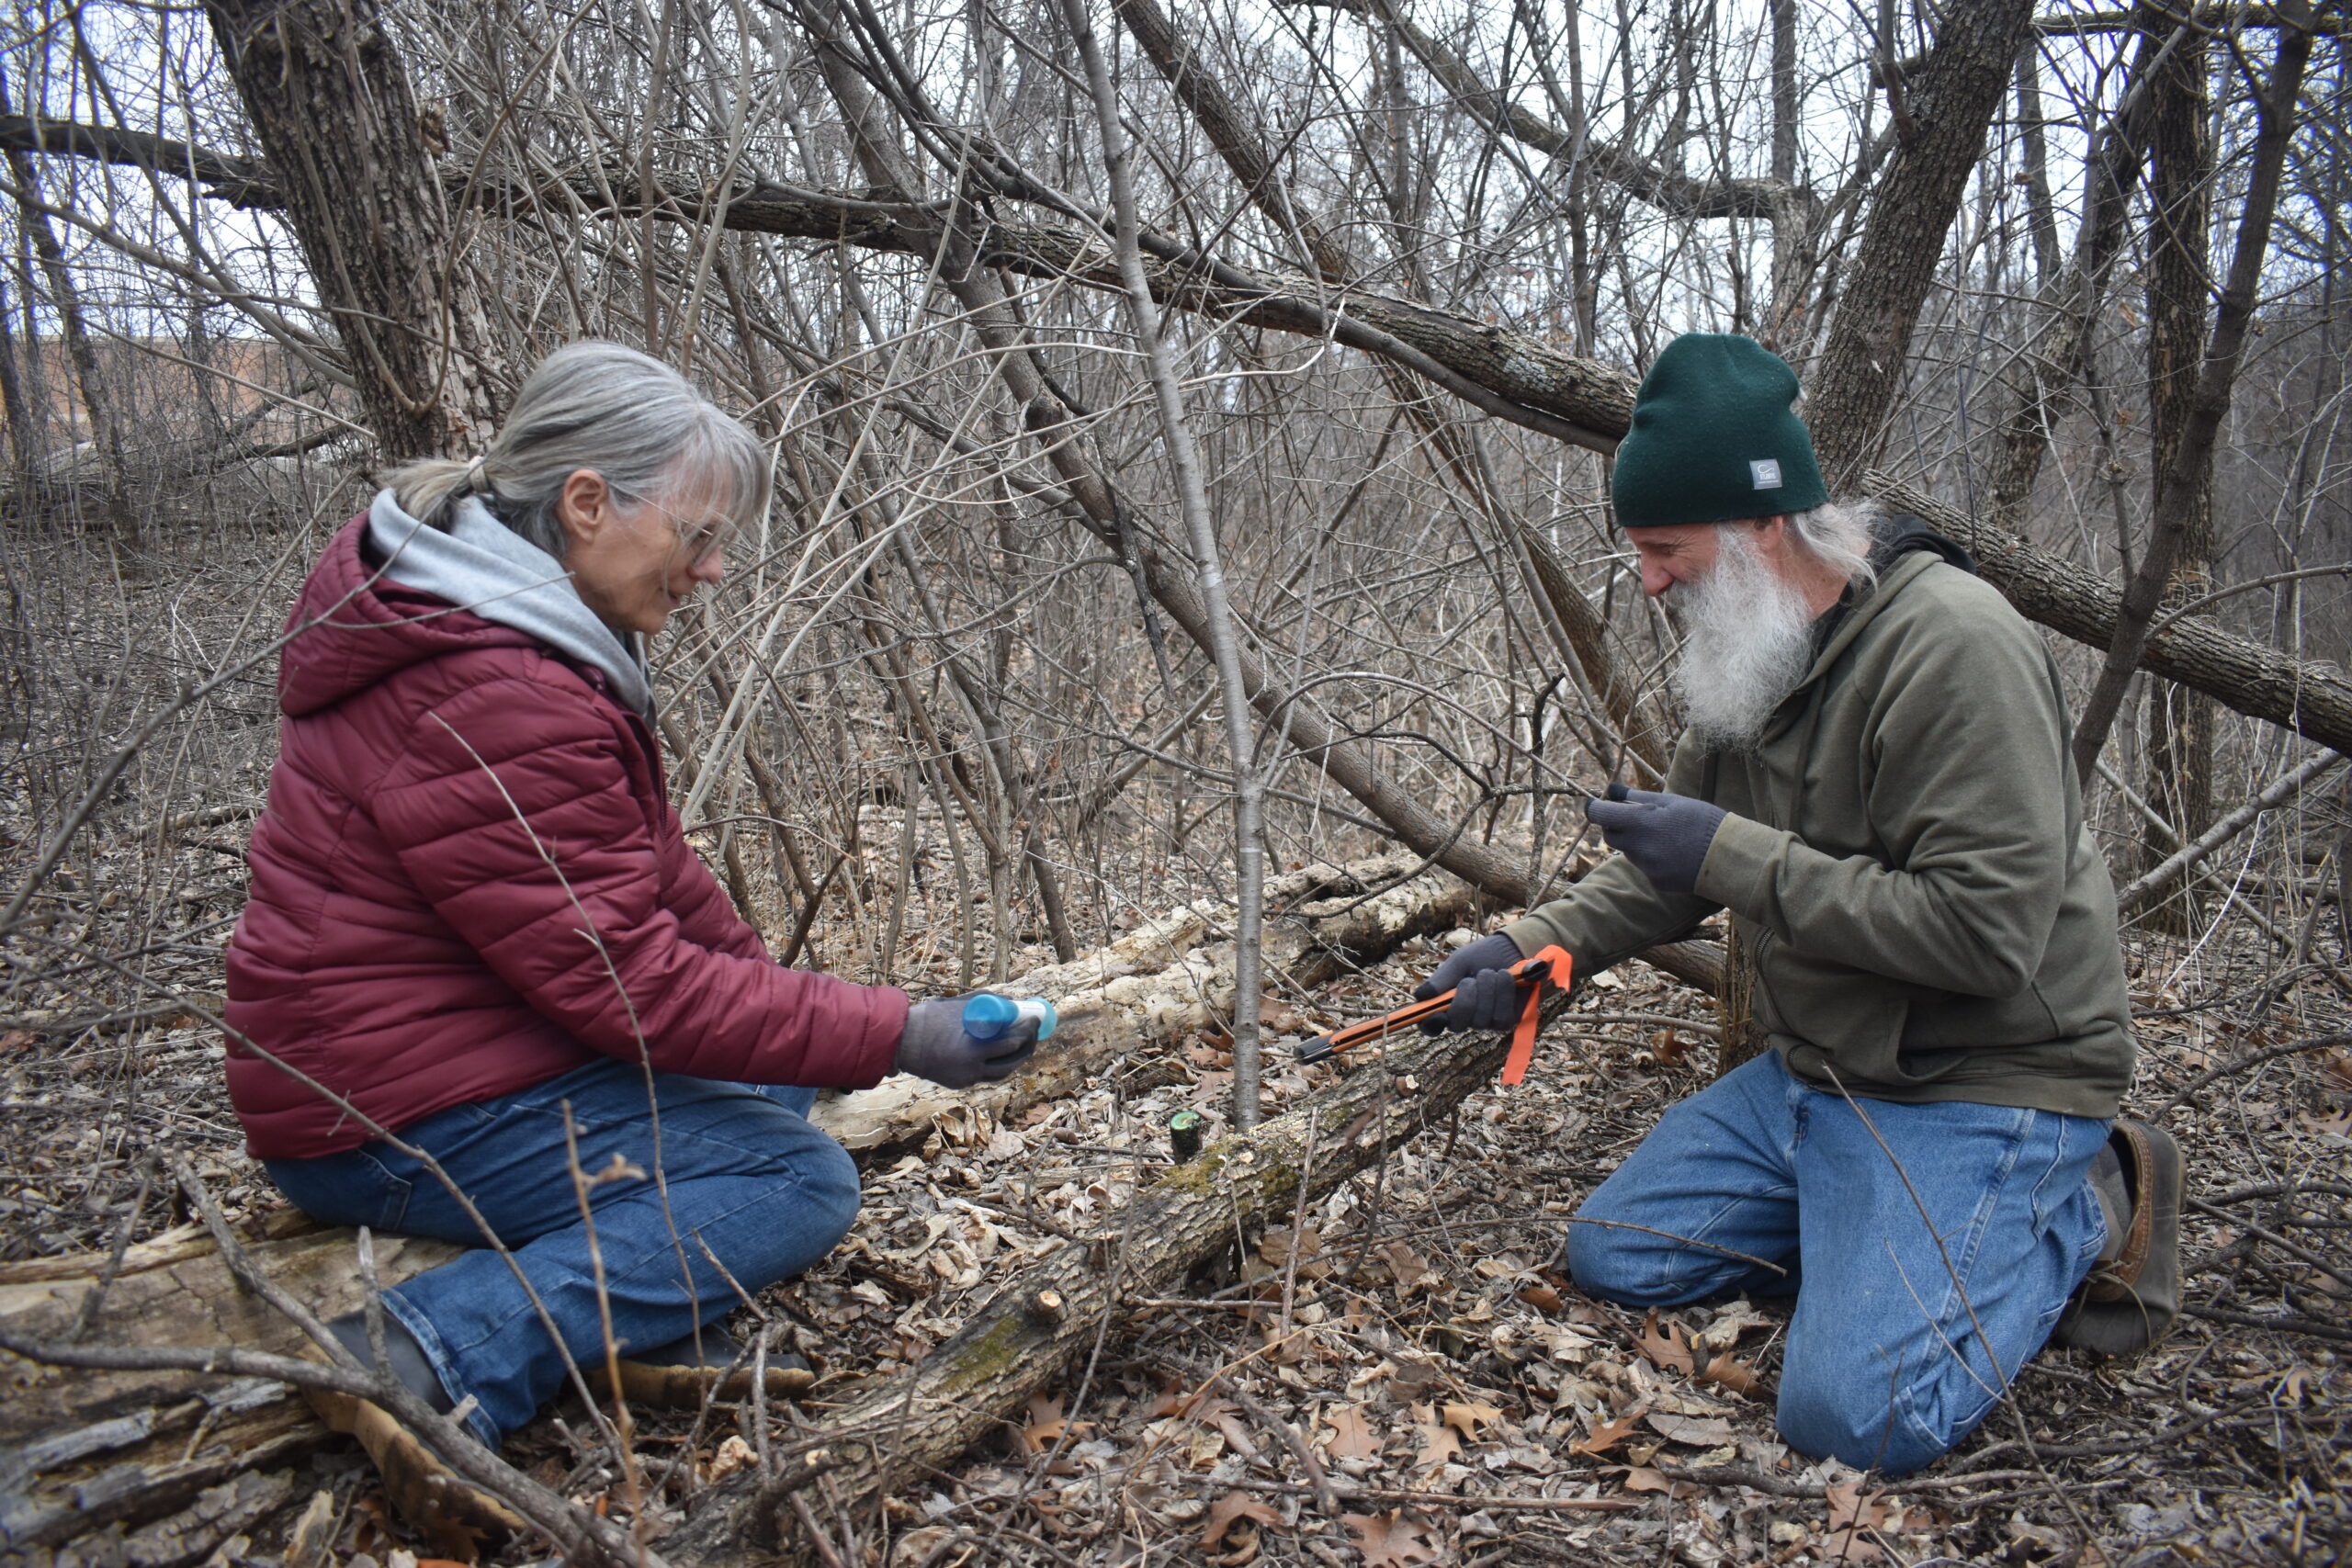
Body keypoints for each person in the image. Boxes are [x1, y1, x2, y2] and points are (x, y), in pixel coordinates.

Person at [223, 343, 1042, 1548]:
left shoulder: (516, 618)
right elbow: (632, 985)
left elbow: (653, 882)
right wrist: (900, 1031)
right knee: (799, 1178)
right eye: (696, 533)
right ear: (587, 503)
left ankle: (623, 1318)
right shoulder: (494, 683)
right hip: (376, 1112)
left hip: (448, 1051)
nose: (712, 567)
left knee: (784, 1064)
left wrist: (803, 1015)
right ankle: (434, 1348)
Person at [1414, 333, 2180, 1475]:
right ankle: (1876, 1234)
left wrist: (1729, 854)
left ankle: (2089, 1201)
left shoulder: (1953, 649)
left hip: (1980, 1080)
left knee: (1854, 1422)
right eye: (1640, 550)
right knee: (1616, 1252)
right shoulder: (1750, 645)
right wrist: (1531, 948)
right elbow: (1671, 866)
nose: (1650, 579)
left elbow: (1983, 939)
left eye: (1666, 548)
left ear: (1762, 524)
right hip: (1820, 1074)